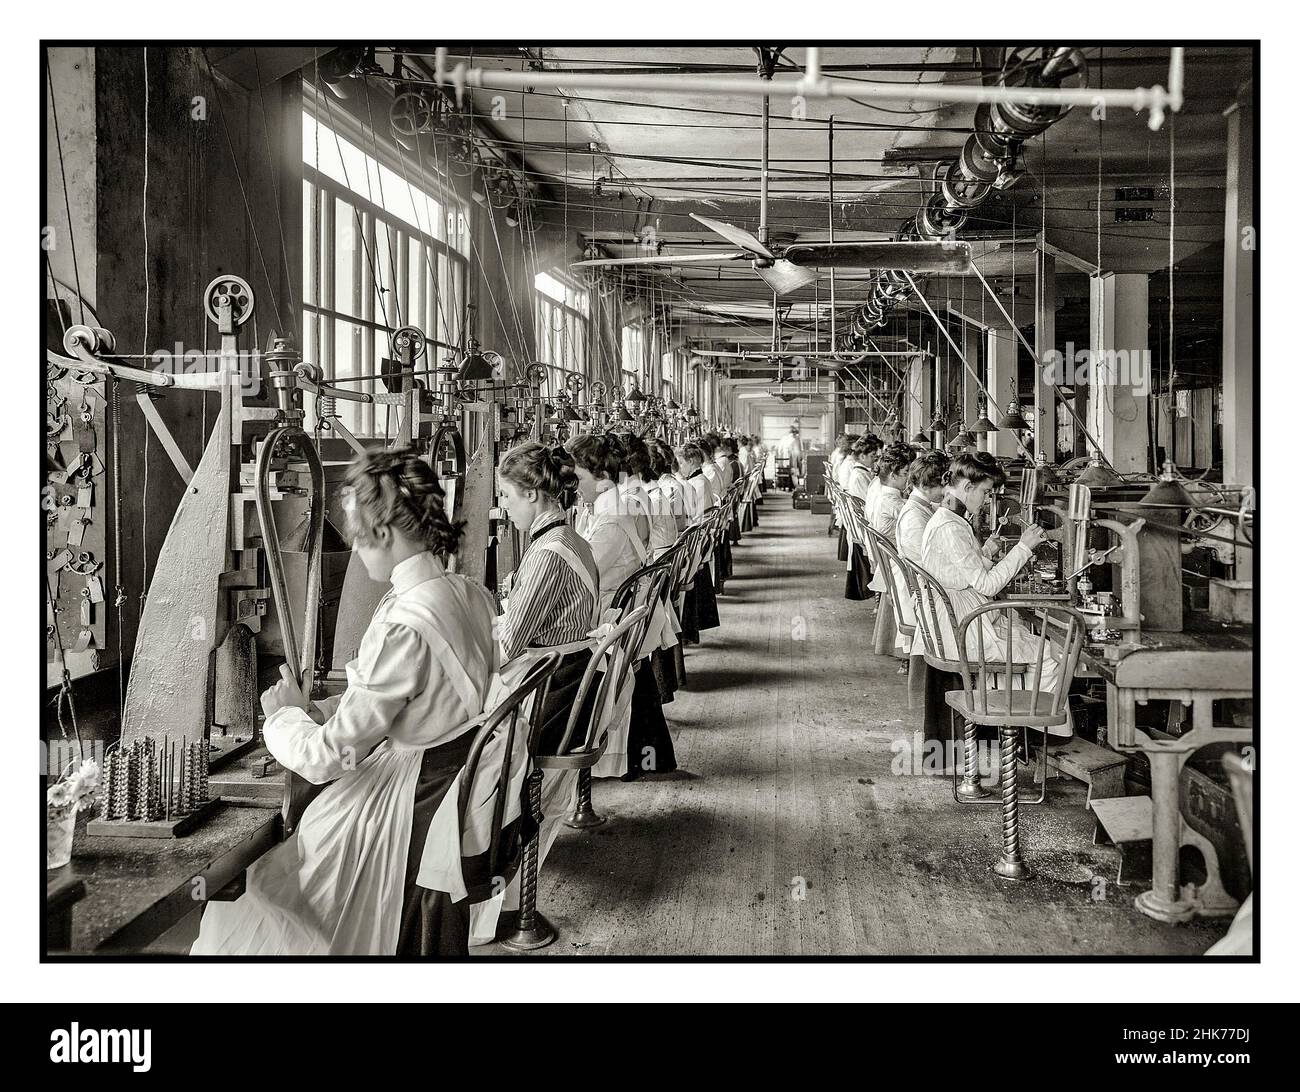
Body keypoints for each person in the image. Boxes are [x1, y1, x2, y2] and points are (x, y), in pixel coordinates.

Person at [192, 448, 497, 956]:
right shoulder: (468, 592)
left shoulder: (405, 623)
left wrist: (284, 716)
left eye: (358, 538)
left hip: (407, 798)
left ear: (384, 533)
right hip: (446, 776)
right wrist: (329, 710)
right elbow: (413, 698)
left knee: (257, 897)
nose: (355, 551)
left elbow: (327, 758)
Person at [919, 451, 1072, 737]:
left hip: (959, 619)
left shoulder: (947, 519)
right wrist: (1023, 547)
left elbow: (963, 571)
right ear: (967, 487)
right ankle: (1040, 734)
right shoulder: (951, 528)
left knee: (1023, 633)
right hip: (962, 629)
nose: (987, 499)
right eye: (985, 492)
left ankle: (1015, 724)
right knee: (1051, 653)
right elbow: (987, 586)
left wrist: (986, 553)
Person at [571, 433, 678, 779]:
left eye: (578, 478)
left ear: (601, 477)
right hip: (629, 620)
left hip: (614, 627)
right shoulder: (611, 508)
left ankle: (573, 753)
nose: (573, 486)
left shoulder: (613, 520)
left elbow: (578, 578)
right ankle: (640, 758)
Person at [866, 442, 916, 664]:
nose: (908, 479)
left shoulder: (881, 492)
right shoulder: (892, 502)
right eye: (906, 474)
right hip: (895, 567)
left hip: (885, 561)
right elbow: (912, 513)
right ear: (894, 475)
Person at [843, 435, 881, 600]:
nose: (874, 460)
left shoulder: (862, 472)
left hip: (861, 520)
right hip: (863, 524)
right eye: (873, 457)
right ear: (863, 456)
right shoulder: (859, 475)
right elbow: (869, 503)